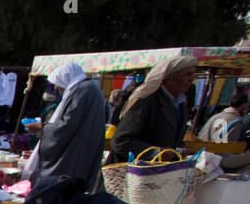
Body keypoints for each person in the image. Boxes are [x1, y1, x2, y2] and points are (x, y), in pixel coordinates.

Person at [22, 62, 105, 190]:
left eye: (57, 83)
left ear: (66, 79)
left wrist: (42, 128)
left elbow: (66, 127)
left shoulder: (83, 91)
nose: (55, 88)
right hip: (83, 152)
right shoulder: (90, 89)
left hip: (73, 158)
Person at [109, 54, 198, 162]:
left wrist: (180, 151)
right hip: (130, 173)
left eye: (193, 74)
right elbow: (120, 141)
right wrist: (156, 152)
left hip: (157, 174)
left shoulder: (181, 104)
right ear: (169, 78)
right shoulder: (145, 101)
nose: (192, 79)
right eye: (188, 74)